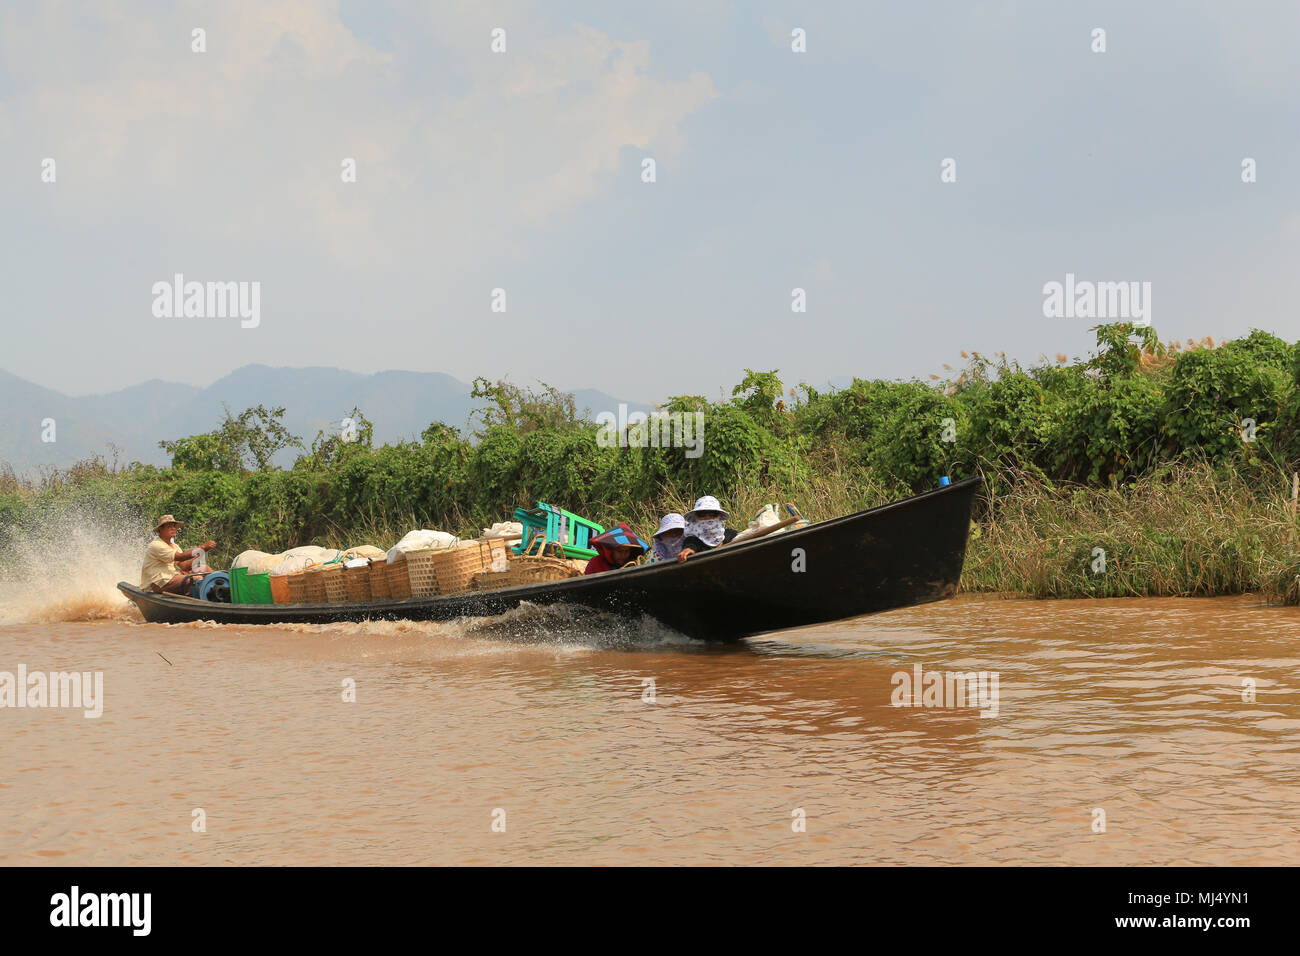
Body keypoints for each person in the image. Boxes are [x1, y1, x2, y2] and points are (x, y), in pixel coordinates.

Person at [141, 515, 216, 594]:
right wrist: (202, 548)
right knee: (195, 579)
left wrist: (201, 552)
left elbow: (184, 566)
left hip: (171, 577)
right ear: (160, 529)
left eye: (174, 526)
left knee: (206, 569)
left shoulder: (174, 546)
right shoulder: (156, 545)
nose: (173, 528)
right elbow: (180, 557)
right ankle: (203, 595)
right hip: (159, 582)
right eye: (169, 526)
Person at [676, 496, 737, 562]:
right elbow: (691, 544)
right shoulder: (693, 540)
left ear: (719, 517)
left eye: (713, 514)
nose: (708, 517)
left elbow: (734, 534)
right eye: (702, 514)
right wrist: (688, 550)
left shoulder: (728, 534)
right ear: (695, 518)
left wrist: (722, 542)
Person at [584, 523, 649, 575]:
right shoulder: (595, 562)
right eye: (619, 551)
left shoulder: (631, 564)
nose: (623, 555)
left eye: (626, 551)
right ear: (611, 550)